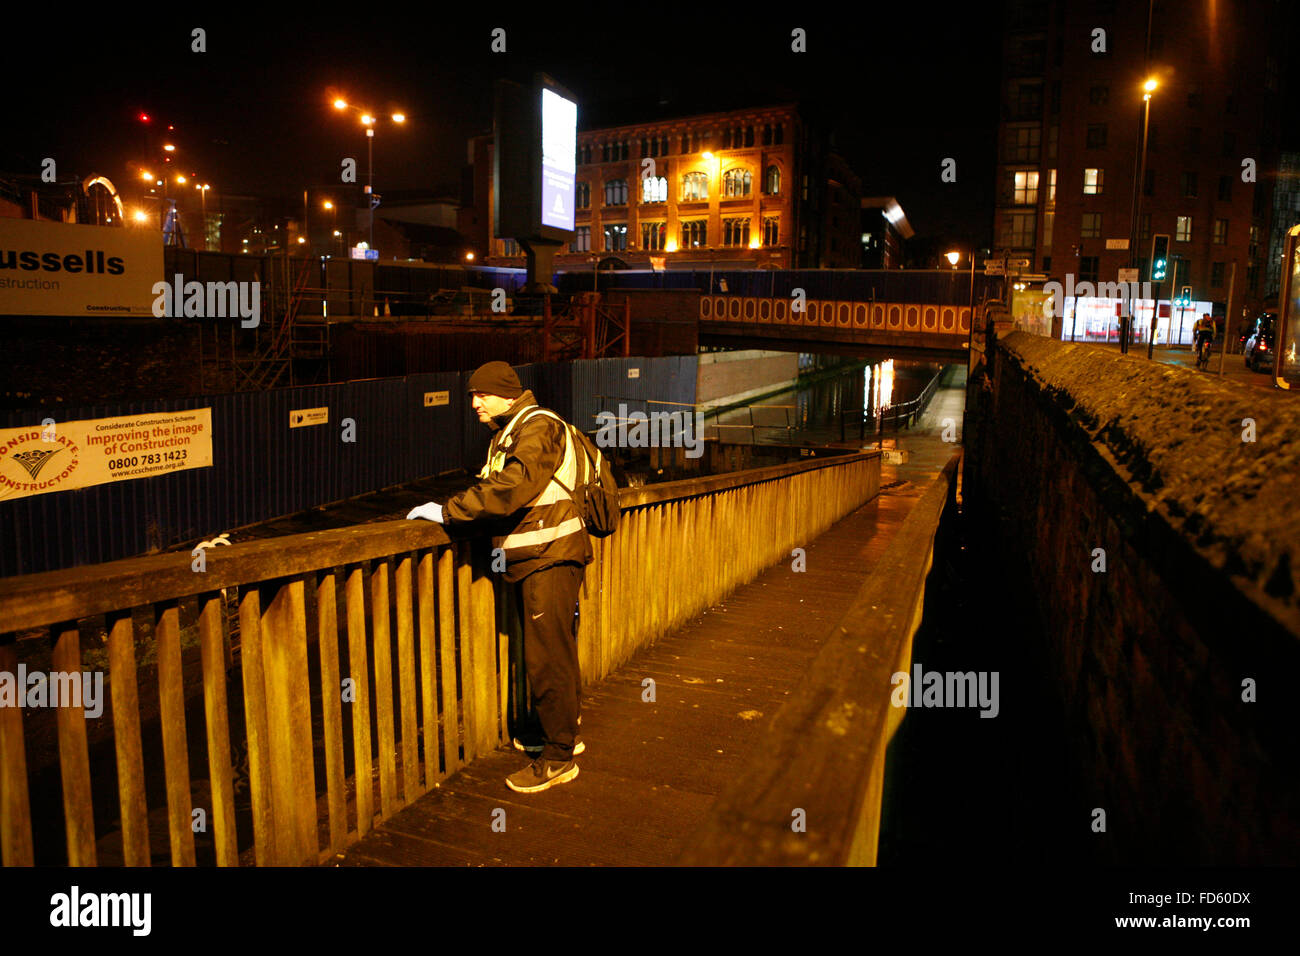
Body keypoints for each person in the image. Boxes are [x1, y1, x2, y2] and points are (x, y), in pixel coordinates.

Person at [406, 361, 592, 793]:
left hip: (551, 554)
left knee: (548, 657)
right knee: (554, 651)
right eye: (472, 395)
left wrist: (448, 511)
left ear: (508, 395)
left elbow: (516, 485)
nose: (474, 403)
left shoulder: (537, 426)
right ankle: (563, 734)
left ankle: (558, 758)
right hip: (542, 555)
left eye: (482, 395)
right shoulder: (516, 429)